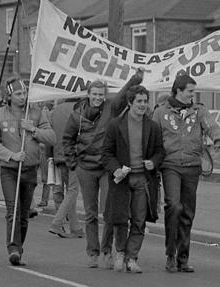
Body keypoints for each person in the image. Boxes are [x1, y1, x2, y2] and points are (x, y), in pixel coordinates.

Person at [63, 70, 143, 268]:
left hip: (107, 168)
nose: (98, 98)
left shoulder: (111, 108)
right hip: (85, 169)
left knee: (109, 212)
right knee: (90, 213)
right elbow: (66, 140)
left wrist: (135, 79)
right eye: (94, 94)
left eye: (101, 94)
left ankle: (107, 250)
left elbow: (124, 96)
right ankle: (93, 252)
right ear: (88, 94)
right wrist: (73, 163)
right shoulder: (76, 116)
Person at [152, 74, 220, 273]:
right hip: (170, 165)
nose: (193, 95)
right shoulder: (161, 112)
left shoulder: (199, 110)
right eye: (190, 91)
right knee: (173, 206)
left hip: (192, 166)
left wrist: (218, 140)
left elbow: (212, 125)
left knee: (187, 213)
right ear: (178, 91)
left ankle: (182, 258)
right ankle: (170, 254)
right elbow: (152, 136)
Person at [0, 79, 56, 266]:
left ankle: (19, 246)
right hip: (9, 170)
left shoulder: (36, 113)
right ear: (9, 96)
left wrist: (33, 129)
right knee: (13, 209)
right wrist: (11, 155)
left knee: (24, 214)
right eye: (18, 94)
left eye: (24, 93)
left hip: (30, 170)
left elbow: (52, 137)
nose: (22, 97)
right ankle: (13, 248)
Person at [102, 85, 164, 274]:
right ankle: (120, 252)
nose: (143, 105)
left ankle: (132, 257)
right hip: (122, 179)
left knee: (139, 220)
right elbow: (106, 153)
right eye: (139, 101)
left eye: (145, 101)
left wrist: (153, 162)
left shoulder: (152, 127)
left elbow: (160, 151)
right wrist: (116, 169)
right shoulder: (115, 125)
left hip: (143, 180)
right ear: (130, 103)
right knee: (120, 219)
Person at [48, 97, 85, 238]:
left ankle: (75, 227)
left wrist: (50, 156)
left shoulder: (56, 110)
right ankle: (56, 223)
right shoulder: (80, 110)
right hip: (74, 154)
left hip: (58, 154)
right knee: (73, 191)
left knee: (68, 191)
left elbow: (50, 133)